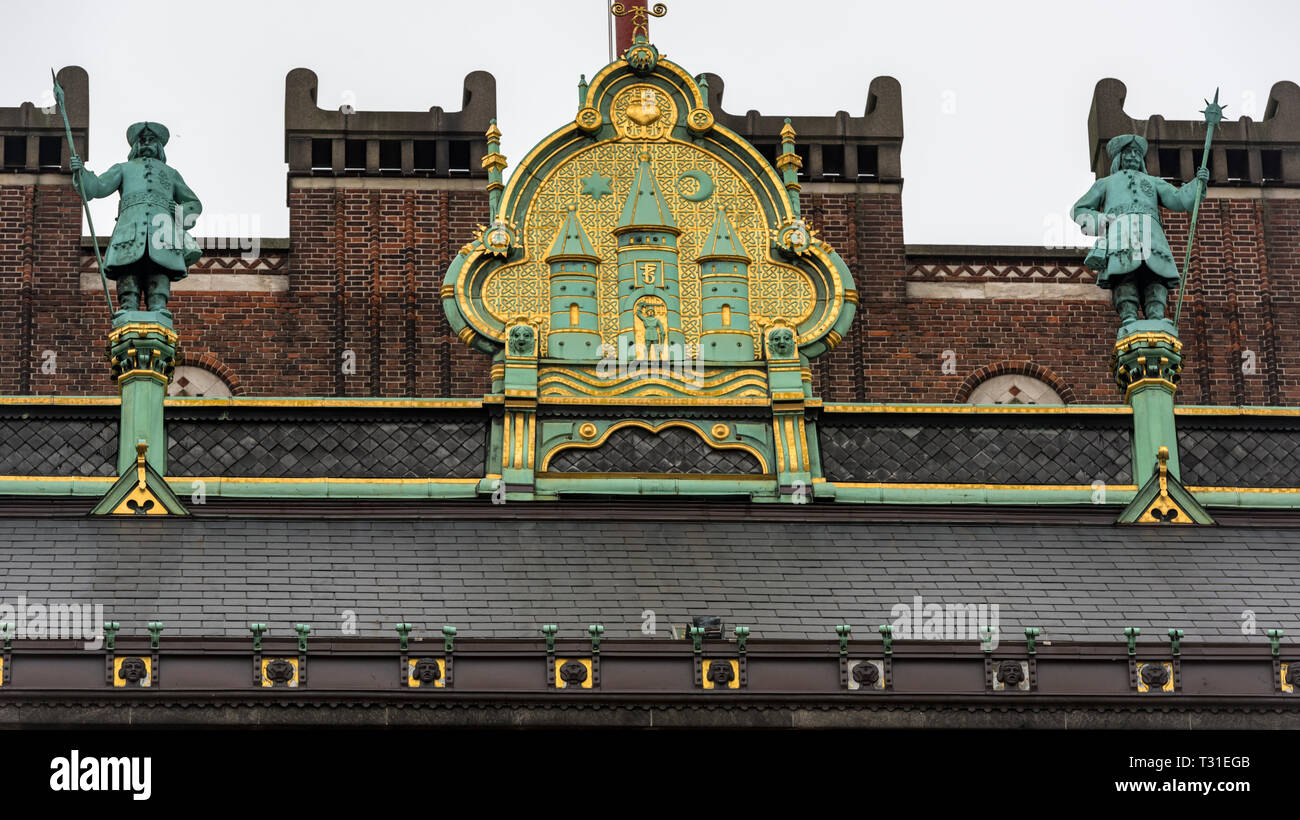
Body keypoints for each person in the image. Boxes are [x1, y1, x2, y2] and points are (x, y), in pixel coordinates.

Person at [1071, 134, 1208, 327]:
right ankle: (1128, 317)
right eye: (1129, 153)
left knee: (1156, 278)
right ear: (1119, 157)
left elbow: (1178, 200)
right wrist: (1103, 222)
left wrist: (1197, 185)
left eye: (1137, 153)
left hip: (1152, 238)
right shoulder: (1106, 183)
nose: (1134, 156)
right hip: (1121, 237)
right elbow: (1079, 210)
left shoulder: (1153, 181)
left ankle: (1157, 318)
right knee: (1125, 277)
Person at [71, 122, 201, 315]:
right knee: (128, 269)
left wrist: (178, 211)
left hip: (162, 232)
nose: (147, 143)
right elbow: (98, 188)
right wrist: (81, 172)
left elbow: (194, 205)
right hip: (129, 229)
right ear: (136, 146)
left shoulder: (171, 174)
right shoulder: (123, 168)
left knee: (160, 270)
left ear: (158, 146)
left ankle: (159, 307)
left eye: (151, 140)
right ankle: (127, 307)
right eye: (143, 140)